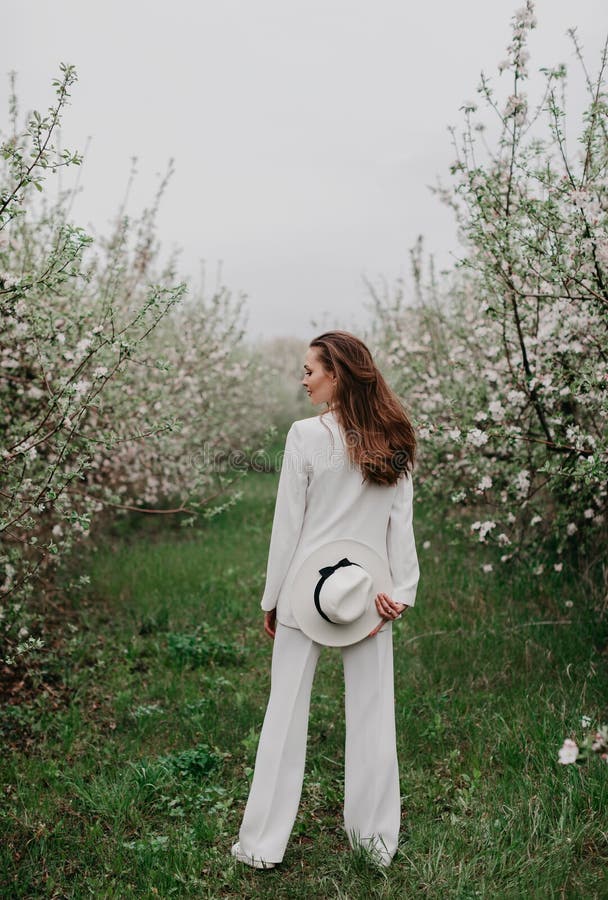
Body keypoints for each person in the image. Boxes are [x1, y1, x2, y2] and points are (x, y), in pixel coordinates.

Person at [231, 330, 420, 869]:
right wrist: (400, 591)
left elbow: (287, 527)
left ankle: (262, 845)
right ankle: (376, 842)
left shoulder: (305, 436)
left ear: (337, 373)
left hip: (305, 589)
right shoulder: (395, 433)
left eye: (310, 370)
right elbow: (398, 524)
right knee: (373, 714)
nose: (303, 378)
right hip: (370, 591)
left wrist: (272, 599)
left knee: (284, 715)